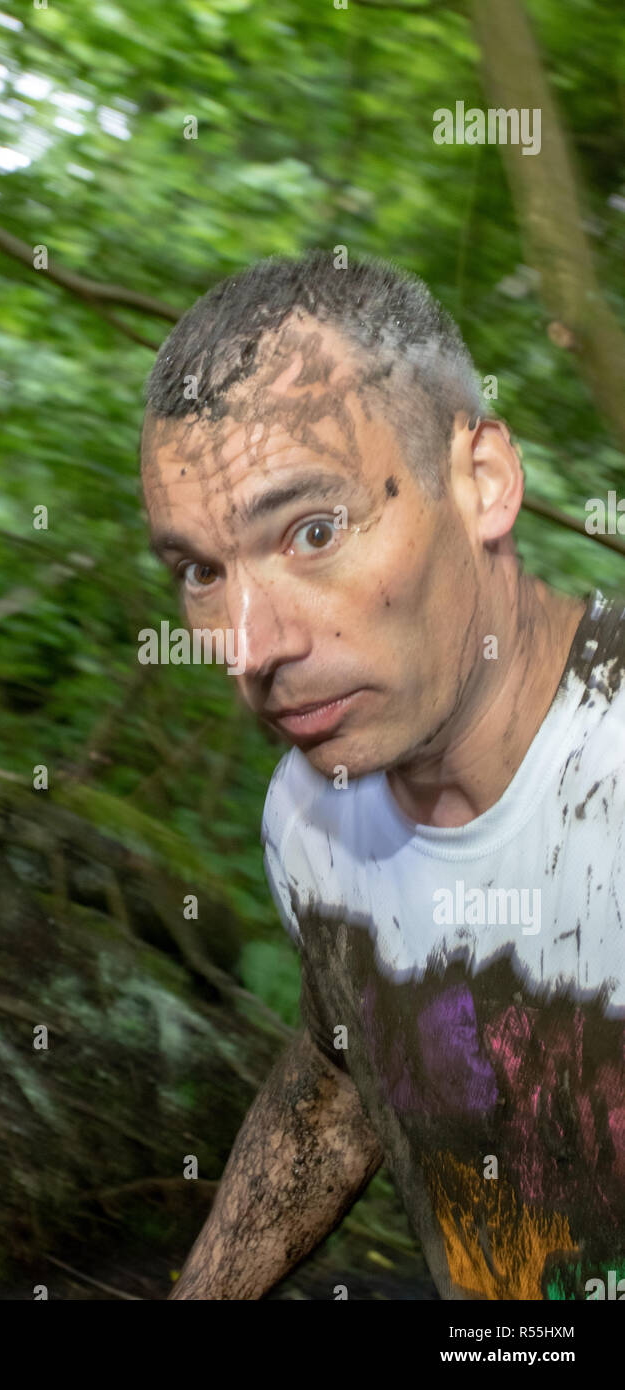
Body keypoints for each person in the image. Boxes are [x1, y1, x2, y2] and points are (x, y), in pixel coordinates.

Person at [140, 250, 625, 1300]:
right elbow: (341, 1066)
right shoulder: (308, 815)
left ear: (482, 482)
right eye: (199, 572)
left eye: (311, 531)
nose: (246, 645)